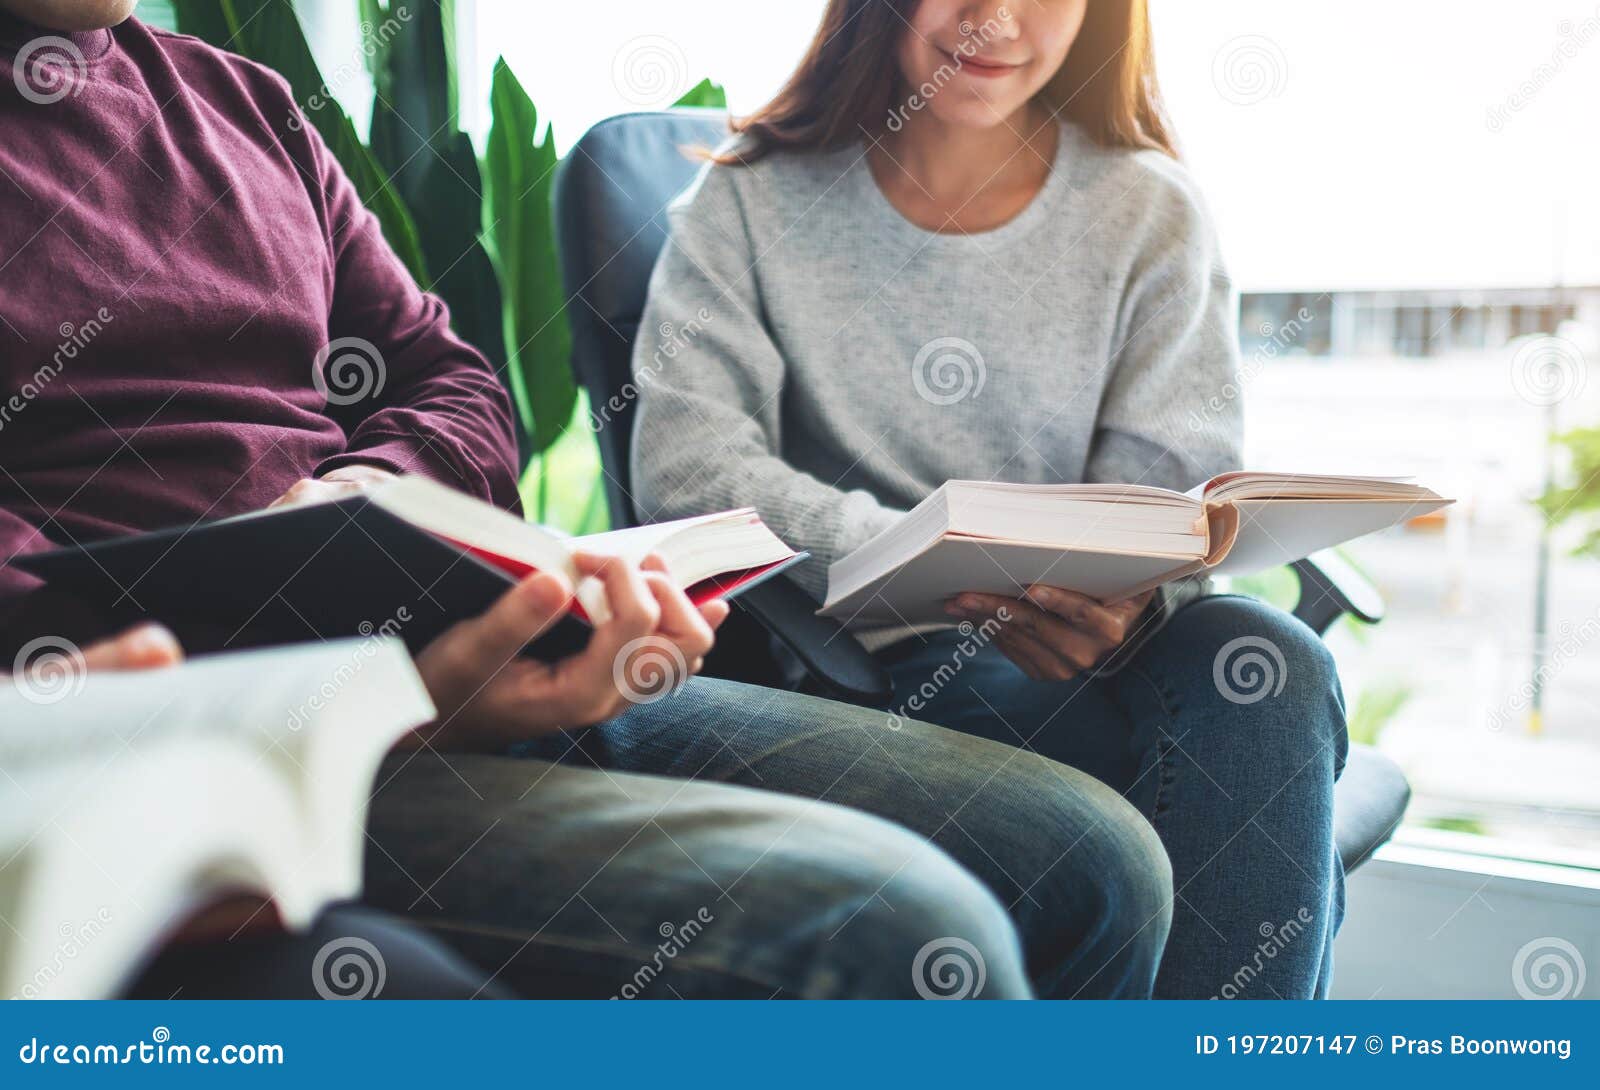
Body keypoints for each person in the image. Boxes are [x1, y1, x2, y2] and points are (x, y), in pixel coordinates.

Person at [0, 2, 1172, 998]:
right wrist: (347, 686)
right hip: (224, 740)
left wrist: (372, 495)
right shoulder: (765, 201)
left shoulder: (238, 101)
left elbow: (448, 376)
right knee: (896, 927)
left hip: (469, 646)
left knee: (1089, 858)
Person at [629, 0, 1348, 998]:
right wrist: (935, 562)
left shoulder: (1148, 208)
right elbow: (687, 466)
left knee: (1277, 667)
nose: (996, 18)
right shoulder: (748, 200)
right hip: (885, 653)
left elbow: (1169, 482)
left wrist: (1118, 599)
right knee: (1218, 801)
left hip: (1112, 638)